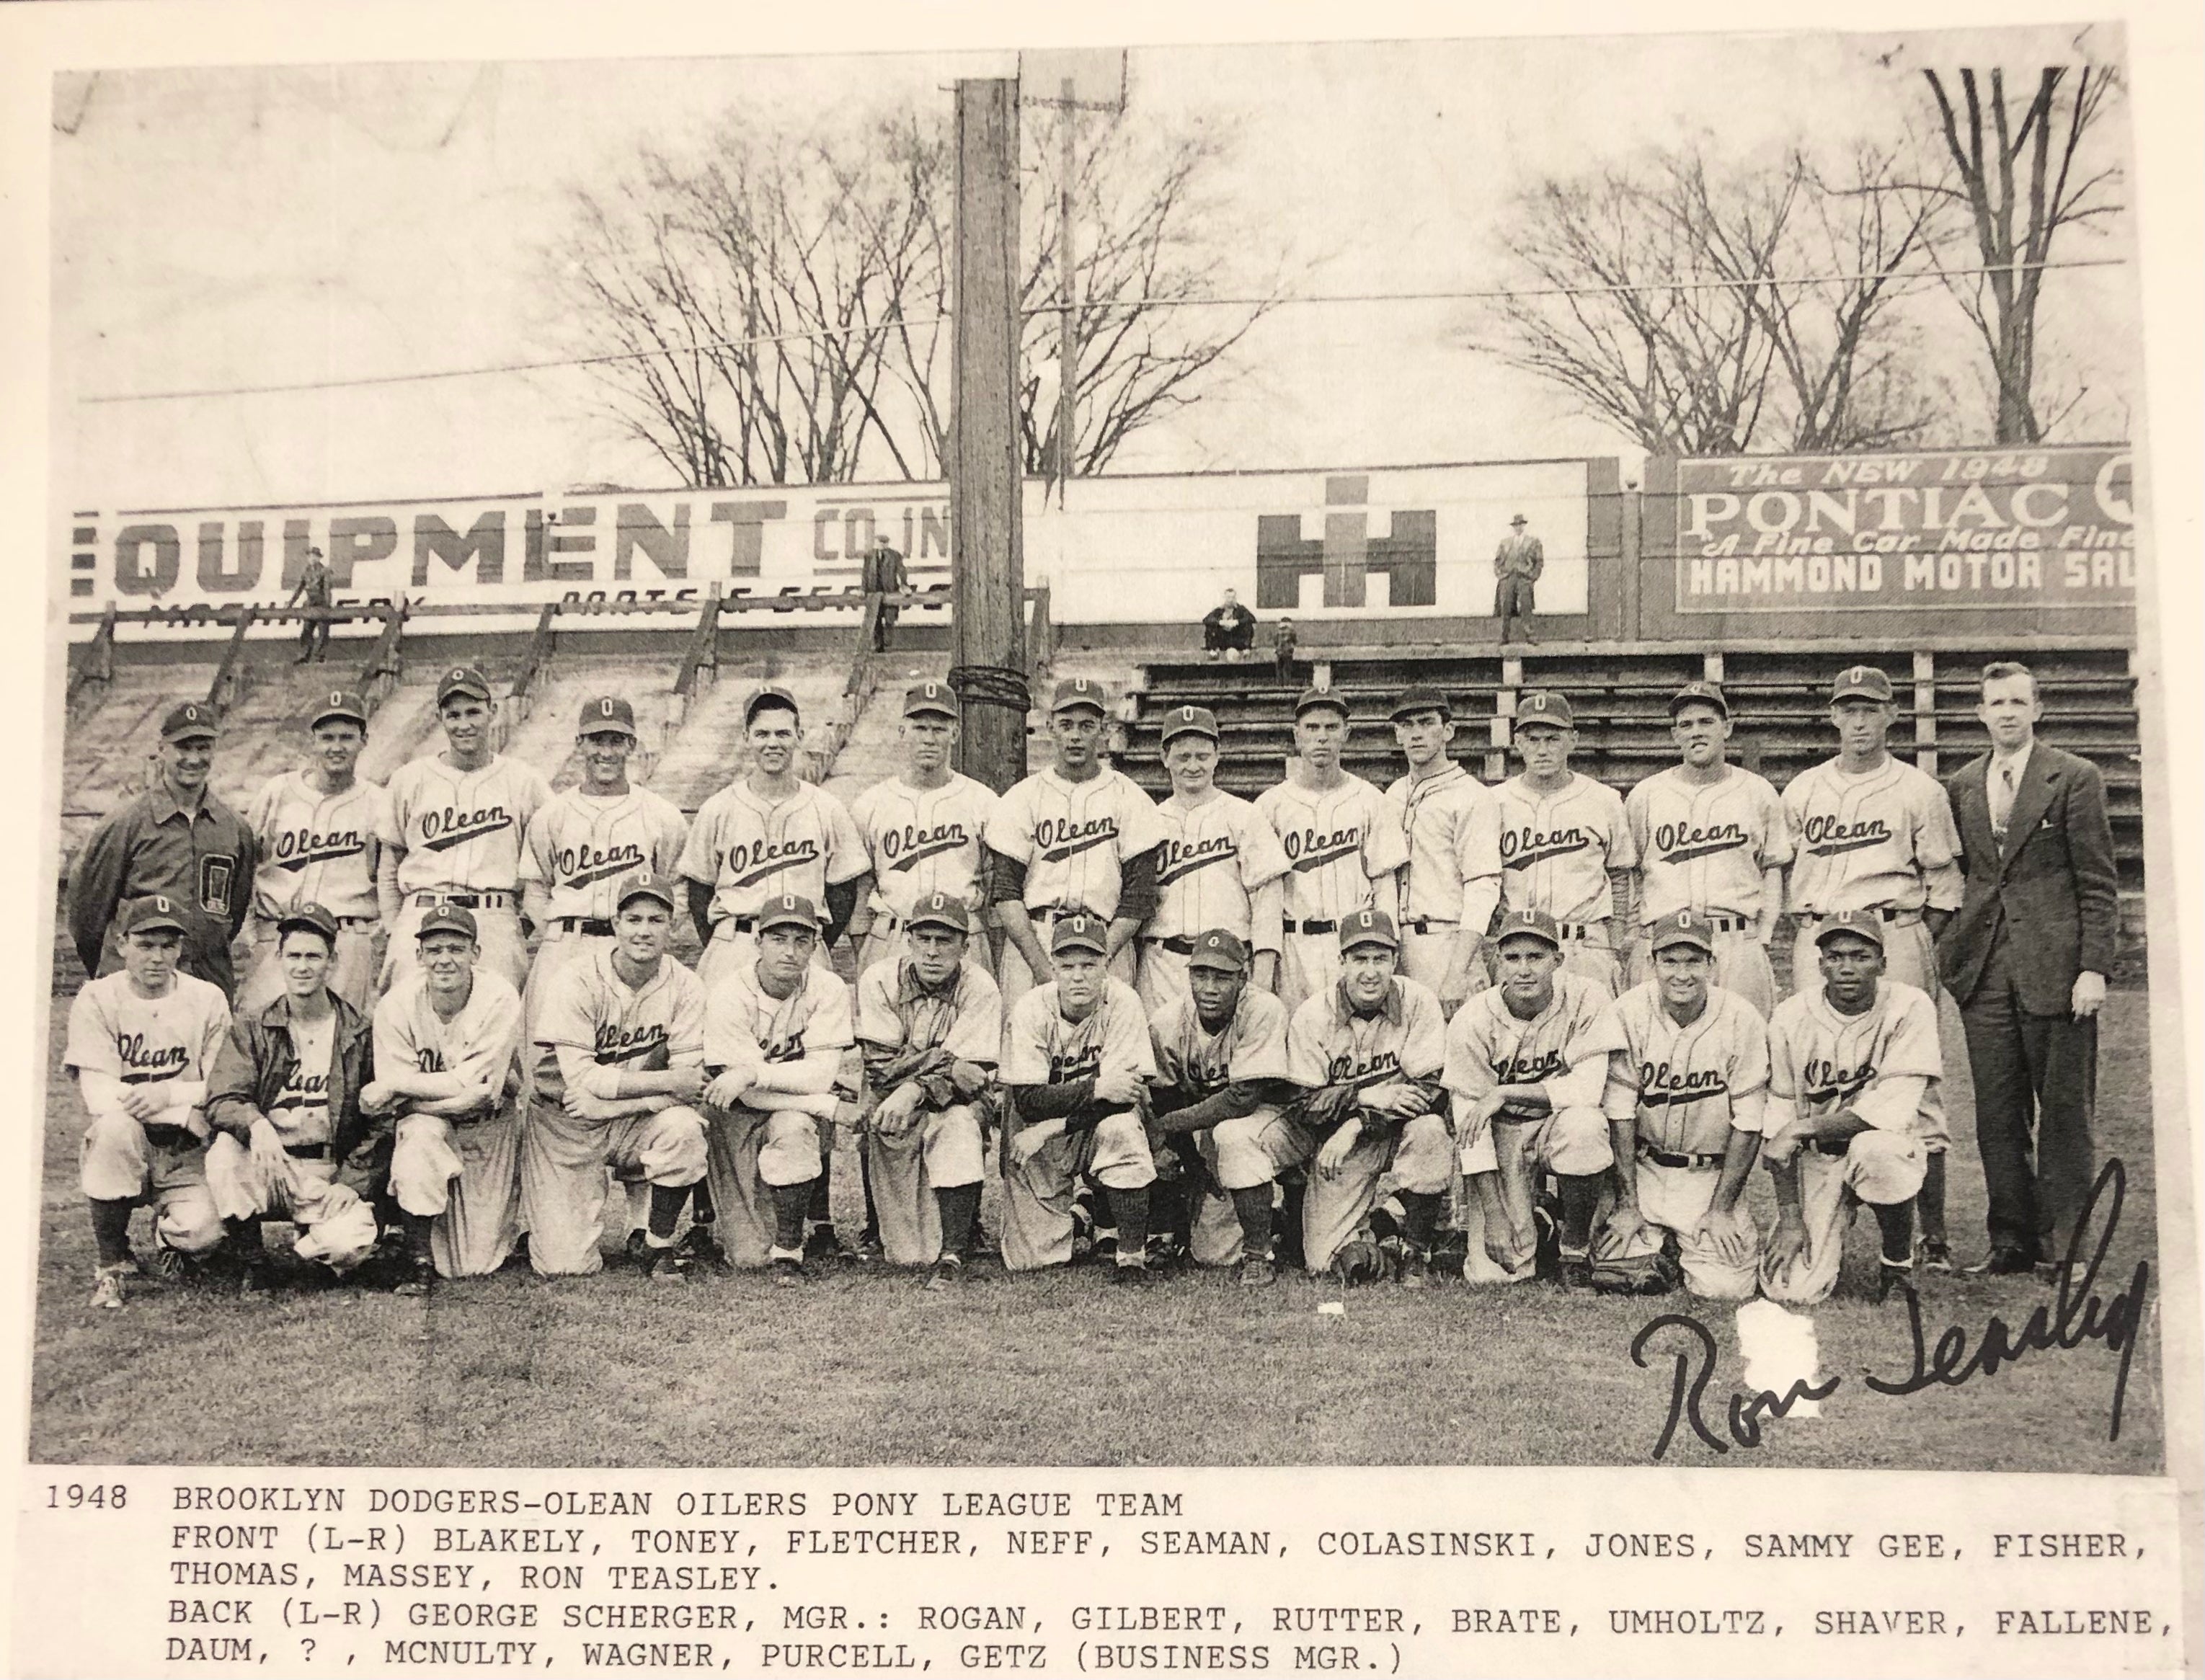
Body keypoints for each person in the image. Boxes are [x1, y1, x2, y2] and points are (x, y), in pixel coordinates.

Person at [1938, 660, 2119, 1280]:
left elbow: (2097, 882)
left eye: (2019, 701)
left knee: (2064, 1114)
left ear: (2037, 709)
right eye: (1996, 702)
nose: (2007, 712)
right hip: (1984, 973)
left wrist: (2093, 966)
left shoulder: (2074, 777)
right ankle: (2010, 1242)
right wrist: (1950, 950)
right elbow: (1961, 877)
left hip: (2057, 972)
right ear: (1980, 712)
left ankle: (2066, 1248)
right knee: (1996, 1113)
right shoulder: (1961, 783)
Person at [1782, 663, 1962, 1271]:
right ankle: (1818, 1209)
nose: (1858, 720)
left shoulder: (1919, 789)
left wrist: (1902, 940)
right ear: (1833, 715)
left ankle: (1930, 1236)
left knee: (1916, 1085)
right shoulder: (1802, 789)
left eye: (1870, 708)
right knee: (1817, 1070)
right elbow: (1786, 873)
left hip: (1893, 930)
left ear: (1890, 715)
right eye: (1848, 708)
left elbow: (1943, 883)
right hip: (1819, 934)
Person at [520, 873, 710, 1279]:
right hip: (566, 1122)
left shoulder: (687, 986)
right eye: (634, 919)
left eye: (656, 920)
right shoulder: (575, 978)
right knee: (565, 1265)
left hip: (633, 1121)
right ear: (616, 923)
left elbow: (690, 1083)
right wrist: (666, 1084)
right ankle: (549, 1222)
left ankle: (656, 1244)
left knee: (684, 1129)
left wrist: (641, 1099)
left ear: (672, 925)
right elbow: (583, 1083)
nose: (644, 931)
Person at [1762, 911, 1946, 1307]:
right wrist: (1791, 1217)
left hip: (1885, 1147)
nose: (1847, 967)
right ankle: (1818, 1234)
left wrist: (1800, 1129)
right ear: (1821, 964)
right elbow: (1777, 1122)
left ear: (1883, 962)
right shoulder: (1791, 1016)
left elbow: (1892, 1111)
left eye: (1861, 956)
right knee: (1790, 1290)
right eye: (1836, 956)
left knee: (1878, 1149)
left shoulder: (1910, 1006)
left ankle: (1897, 1263)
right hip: (1818, 1162)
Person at [1444, 908, 1627, 1290]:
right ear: (1497, 961)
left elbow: (1587, 1091)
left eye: (1536, 957)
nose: (1524, 969)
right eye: (1513, 958)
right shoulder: (1472, 1019)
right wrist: (1494, 1215)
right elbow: (1470, 1130)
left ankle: (1574, 1247)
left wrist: (1505, 1091)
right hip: (1502, 1133)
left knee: (1586, 1126)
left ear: (1557, 960)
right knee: (1497, 1274)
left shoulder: (1587, 997)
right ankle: (1538, 1216)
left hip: (1556, 1123)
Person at [203, 903, 382, 1292]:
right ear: (279, 959)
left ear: (332, 962)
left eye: (314, 956)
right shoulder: (254, 1025)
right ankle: (254, 1260)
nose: (303, 967)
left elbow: (381, 1119)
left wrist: (351, 1180)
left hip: (326, 1166)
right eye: (294, 956)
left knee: (349, 1245)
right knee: (223, 1153)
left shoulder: (359, 1031)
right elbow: (222, 1097)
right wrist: (256, 1125)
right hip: (269, 1163)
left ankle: (312, 1245)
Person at [66, 895, 234, 1307]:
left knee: (204, 1234)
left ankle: (169, 1232)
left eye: (168, 945)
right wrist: (178, 1105)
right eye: (145, 945)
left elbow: (221, 1085)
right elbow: (99, 1094)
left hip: (185, 1152)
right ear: (122, 944)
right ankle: (113, 1260)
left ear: (181, 949)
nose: (157, 957)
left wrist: (166, 1091)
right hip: (134, 1140)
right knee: (113, 1128)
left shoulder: (208, 998)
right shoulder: (97, 997)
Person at [1594, 909, 1769, 1300]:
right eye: (1670, 961)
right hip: (1645, 1169)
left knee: (1726, 1290)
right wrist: (1627, 1204)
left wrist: (1722, 1209)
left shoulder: (1743, 1019)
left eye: (1693, 961)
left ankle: (1676, 1246)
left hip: (1707, 1175)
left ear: (1711, 963)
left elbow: (1750, 1121)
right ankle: (1664, 1244)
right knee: (1616, 1274)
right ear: (1652, 962)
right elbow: (1619, 1112)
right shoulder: (1628, 1011)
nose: (1682, 974)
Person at [696, 893, 857, 1283]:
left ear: (815, 945)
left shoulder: (829, 988)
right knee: (748, 1255)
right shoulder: (728, 994)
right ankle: (711, 1228)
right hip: (737, 1120)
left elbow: (820, 1074)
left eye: (801, 941)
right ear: (758, 942)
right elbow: (744, 1096)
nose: (790, 951)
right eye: (778, 939)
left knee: (795, 1123)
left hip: (789, 1110)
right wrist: (828, 1106)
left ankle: (789, 1250)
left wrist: (752, 1073)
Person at [1285, 908, 1450, 1280]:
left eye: (1380, 958)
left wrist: (1358, 1122)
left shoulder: (1419, 1001)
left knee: (1431, 1132)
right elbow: (1304, 1106)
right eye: (1360, 959)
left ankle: (1416, 1251)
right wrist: (1365, 1097)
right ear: (1341, 961)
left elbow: (1431, 1091)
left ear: (1395, 960)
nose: (1371, 971)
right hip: (1342, 1146)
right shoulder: (1313, 1015)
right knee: (1323, 1262)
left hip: (1394, 1132)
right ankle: (1387, 1222)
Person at [369, 904, 526, 1293]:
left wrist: (401, 1091)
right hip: (433, 1123)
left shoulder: (500, 997)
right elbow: (411, 1095)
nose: (445, 960)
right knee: (420, 1135)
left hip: (489, 1130)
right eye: (435, 949)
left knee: (474, 1265)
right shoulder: (396, 1004)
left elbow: (481, 1090)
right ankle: (417, 1260)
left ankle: (425, 1229)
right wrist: (429, 1099)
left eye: (456, 949)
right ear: (419, 955)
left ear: (475, 953)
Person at [984, 676, 1167, 1003]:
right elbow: (1006, 893)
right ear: (1050, 726)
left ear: (1104, 728)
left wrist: (1099, 958)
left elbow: (1139, 897)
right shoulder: (1022, 798)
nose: (1075, 736)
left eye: (1086, 725)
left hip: (1106, 939)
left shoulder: (1130, 797)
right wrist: (1042, 966)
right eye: (1066, 725)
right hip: (1036, 937)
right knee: (1026, 1046)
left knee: (1108, 1047)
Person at [998, 911, 1160, 1281]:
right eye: (1067, 964)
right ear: (1052, 965)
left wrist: (1053, 1126)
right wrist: (1097, 1087)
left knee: (1122, 1129)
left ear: (1106, 964)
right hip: (1034, 1130)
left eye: (1089, 964)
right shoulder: (1030, 1009)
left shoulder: (1123, 1001)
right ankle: (1082, 1213)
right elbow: (1028, 1101)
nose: (1078, 975)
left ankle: (1131, 1255)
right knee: (1033, 1260)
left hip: (1083, 1125)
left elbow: (1122, 1099)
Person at [853, 892, 1002, 1287]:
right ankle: (876, 1224)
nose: (933, 951)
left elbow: (975, 1080)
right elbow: (881, 1069)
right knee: (906, 1254)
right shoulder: (879, 978)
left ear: (965, 947)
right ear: (908, 940)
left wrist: (915, 1087)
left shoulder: (980, 986)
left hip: (956, 1102)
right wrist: (947, 1063)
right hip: (893, 1100)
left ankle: (957, 1245)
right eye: (924, 939)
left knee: (959, 1123)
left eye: (945, 940)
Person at [680, 686, 870, 989]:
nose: (773, 744)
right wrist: (722, 941)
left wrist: (815, 939)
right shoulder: (717, 808)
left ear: (799, 736)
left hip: (804, 942)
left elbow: (843, 890)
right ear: (746, 738)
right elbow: (699, 890)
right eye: (762, 734)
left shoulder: (827, 808)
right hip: (737, 940)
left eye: (782, 734)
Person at [378, 665, 551, 994]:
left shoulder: (525, 781)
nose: (464, 724)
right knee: (407, 1019)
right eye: (454, 715)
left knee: (501, 1025)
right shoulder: (409, 779)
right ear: (441, 718)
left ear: (493, 712)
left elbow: (546, 863)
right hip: (422, 912)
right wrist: (395, 929)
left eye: (474, 712)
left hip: (493, 915)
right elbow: (389, 866)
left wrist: (519, 924)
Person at [1145, 930, 1304, 1284]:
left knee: (1232, 1134)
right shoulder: (1167, 1022)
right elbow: (1164, 1098)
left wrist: (1168, 1125)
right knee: (1212, 1254)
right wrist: (1195, 1167)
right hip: (1211, 1125)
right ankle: (1189, 1222)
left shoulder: (1264, 1010)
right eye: (1200, 975)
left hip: (1275, 1117)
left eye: (1222, 977)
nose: (1210, 987)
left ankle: (1269, 1238)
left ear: (1243, 978)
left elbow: (1243, 1098)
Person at [68, 701, 257, 1000]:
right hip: (139, 981)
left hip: (208, 980)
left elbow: (234, 909)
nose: (193, 759)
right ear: (162, 749)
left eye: (203, 747)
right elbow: (87, 914)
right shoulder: (126, 822)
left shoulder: (234, 827)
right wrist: (117, 969)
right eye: (183, 747)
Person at [1623, 681, 1790, 1018]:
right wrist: (1636, 935)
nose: (1696, 732)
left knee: (1746, 1046)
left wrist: (1764, 936)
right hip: (1666, 943)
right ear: (1675, 735)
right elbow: (1634, 873)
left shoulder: (1758, 792)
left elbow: (1772, 868)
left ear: (1727, 728)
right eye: (1686, 725)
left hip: (1735, 940)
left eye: (1706, 722)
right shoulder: (1647, 794)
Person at [1253, 688, 1410, 1013]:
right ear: (1297, 736)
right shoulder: (1270, 805)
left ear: (1346, 734)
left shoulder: (1370, 799)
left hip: (1354, 944)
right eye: (1312, 728)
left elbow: (1384, 887)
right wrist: (1264, 972)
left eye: (1331, 727)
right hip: (1295, 945)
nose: (1321, 737)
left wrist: (1385, 948)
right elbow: (1267, 899)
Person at [520, 694, 688, 995]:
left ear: (632, 745)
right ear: (580, 743)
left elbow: (678, 888)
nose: (606, 752)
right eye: (597, 741)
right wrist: (559, 935)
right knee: (549, 1038)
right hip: (565, 945)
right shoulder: (551, 815)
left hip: (631, 948)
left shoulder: (663, 815)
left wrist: (651, 937)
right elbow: (535, 891)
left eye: (616, 741)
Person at [239, 688, 389, 1014]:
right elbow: (244, 866)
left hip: (346, 937)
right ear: (313, 741)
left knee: (341, 1045)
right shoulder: (278, 792)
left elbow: (389, 877)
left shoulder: (378, 802)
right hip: (278, 933)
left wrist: (371, 938)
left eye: (347, 738)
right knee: (262, 1035)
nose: (337, 747)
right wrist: (253, 935)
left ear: (364, 740)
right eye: (327, 737)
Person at [1137, 704, 1290, 1013]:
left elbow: (1268, 901)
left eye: (1202, 756)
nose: (1192, 766)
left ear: (1217, 756)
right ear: (1164, 758)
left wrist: (1262, 975)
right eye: (1183, 756)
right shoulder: (1148, 820)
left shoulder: (1245, 815)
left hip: (1228, 965)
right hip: (1162, 963)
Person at [846, 682, 1000, 978]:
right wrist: (866, 948)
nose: (929, 739)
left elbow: (995, 891)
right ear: (902, 732)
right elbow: (860, 894)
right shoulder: (870, 804)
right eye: (920, 728)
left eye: (939, 729)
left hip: (963, 937)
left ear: (955, 734)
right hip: (893, 935)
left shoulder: (983, 802)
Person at [1492, 691, 1636, 994]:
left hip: (1584, 946)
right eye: (1533, 739)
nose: (1542, 749)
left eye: (1553, 739)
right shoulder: (1495, 802)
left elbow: (1621, 875)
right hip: (1522, 949)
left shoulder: (1604, 800)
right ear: (1517, 743)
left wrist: (1616, 939)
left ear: (1574, 739)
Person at [1385, 687, 1501, 1018]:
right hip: (1398, 943)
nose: (1416, 733)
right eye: (1407, 725)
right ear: (1397, 735)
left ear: (1448, 730)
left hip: (1448, 939)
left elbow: (1483, 886)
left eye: (1426, 723)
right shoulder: (1393, 795)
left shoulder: (1471, 796)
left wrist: (1458, 969)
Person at [1492, 512, 1543, 644]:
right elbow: (1497, 562)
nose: (1518, 528)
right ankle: (1504, 636)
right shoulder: (1505, 543)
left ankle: (1530, 635)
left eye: (1520, 525)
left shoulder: (1533, 542)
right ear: (1513, 527)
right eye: (1516, 525)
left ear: (1524, 526)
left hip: (1523, 578)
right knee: (1506, 607)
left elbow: (1539, 562)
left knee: (1526, 606)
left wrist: (1532, 577)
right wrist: (1501, 576)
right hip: (1508, 578)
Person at [287, 544, 334, 664]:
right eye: (310, 556)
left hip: (321, 604)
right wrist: (290, 603)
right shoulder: (306, 572)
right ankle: (305, 655)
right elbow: (299, 588)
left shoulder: (325, 571)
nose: (312, 558)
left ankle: (319, 656)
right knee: (307, 630)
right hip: (310, 604)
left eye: (315, 556)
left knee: (323, 631)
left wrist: (328, 605)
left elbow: (327, 589)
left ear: (319, 558)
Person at [865, 543, 909, 652]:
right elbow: (865, 574)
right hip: (874, 592)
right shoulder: (870, 555)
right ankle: (879, 646)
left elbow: (901, 571)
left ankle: (888, 642)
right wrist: (863, 589)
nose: (881, 545)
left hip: (890, 591)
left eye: (883, 542)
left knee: (890, 618)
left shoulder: (895, 555)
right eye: (879, 542)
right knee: (876, 620)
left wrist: (904, 585)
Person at [1200, 587, 1256, 660]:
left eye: (1233, 597)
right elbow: (1206, 620)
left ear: (1235, 598)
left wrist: (1237, 622)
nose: (1230, 600)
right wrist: (1220, 623)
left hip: (1237, 639)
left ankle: (1246, 649)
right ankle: (1213, 650)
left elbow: (1252, 618)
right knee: (1211, 626)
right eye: (1228, 597)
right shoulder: (1219, 610)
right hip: (1223, 639)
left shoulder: (1241, 610)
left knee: (1248, 625)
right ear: (1225, 598)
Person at [1272, 618, 1297, 685]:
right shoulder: (1291, 631)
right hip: (1288, 652)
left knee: (1279, 669)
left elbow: (1275, 641)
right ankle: (1287, 684)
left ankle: (1279, 684)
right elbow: (1295, 641)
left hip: (1279, 652)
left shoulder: (1278, 631)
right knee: (1287, 669)